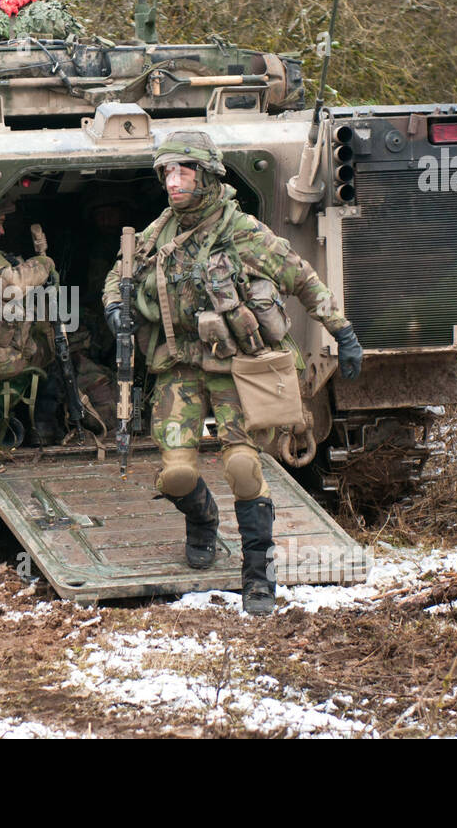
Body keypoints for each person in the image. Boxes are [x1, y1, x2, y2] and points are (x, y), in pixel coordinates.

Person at [102, 131, 363, 616]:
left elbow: (302, 278)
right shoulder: (158, 232)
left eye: (183, 171)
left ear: (207, 176)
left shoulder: (241, 232)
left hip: (235, 369)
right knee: (177, 475)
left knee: (243, 469)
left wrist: (342, 331)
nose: (173, 182)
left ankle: (258, 575)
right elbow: (120, 275)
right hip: (177, 367)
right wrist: (116, 305)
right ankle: (203, 520)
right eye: (167, 173)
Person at [0, 201, 56, 446]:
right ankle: (38, 429)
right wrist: (44, 263)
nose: (2, 231)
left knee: (50, 355)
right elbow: (12, 284)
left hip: (5, 351)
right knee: (50, 364)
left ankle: (39, 429)